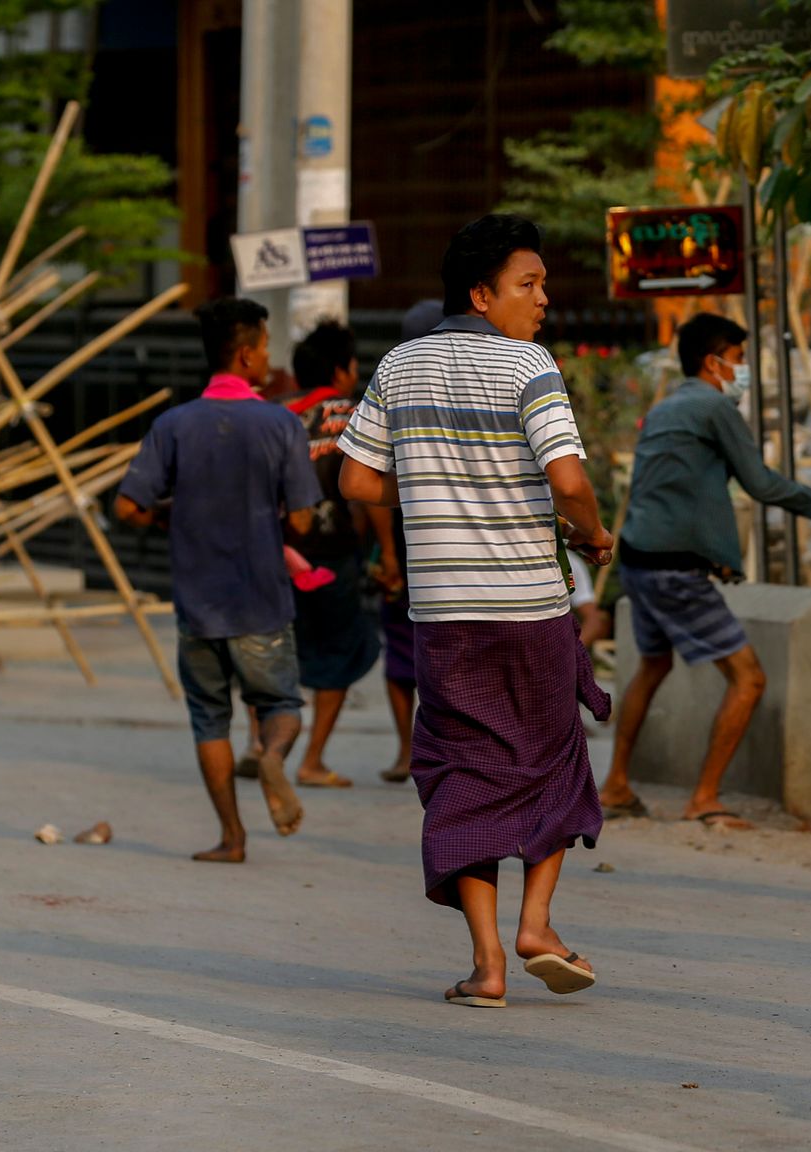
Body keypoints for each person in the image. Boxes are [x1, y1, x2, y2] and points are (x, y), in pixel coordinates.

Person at [340, 215, 614, 1007]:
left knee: (463, 768)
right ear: (481, 294)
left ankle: (489, 965)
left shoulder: (399, 364)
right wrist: (592, 534)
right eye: (528, 284)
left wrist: (431, 489)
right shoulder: (528, 366)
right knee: (552, 756)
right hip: (529, 607)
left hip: (444, 614)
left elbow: (357, 483)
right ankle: (538, 925)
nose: (543, 299)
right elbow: (566, 480)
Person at [598, 313, 811, 828]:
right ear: (712, 361)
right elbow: (759, 483)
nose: (742, 371)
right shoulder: (714, 406)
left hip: (639, 561)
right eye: (739, 360)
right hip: (675, 570)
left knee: (653, 667)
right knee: (748, 678)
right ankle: (706, 798)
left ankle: (616, 784)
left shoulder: (669, 405)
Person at [115, 297, 320, 863]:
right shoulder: (281, 424)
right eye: (265, 348)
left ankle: (232, 837)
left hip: (197, 603)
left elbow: (128, 507)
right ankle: (273, 756)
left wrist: (171, 514)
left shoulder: (173, 425)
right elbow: (302, 518)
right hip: (261, 599)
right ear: (249, 354)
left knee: (209, 718)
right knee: (279, 704)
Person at [281, 319, 381, 789]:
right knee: (339, 652)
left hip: (278, 556)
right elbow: (368, 492)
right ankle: (312, 759)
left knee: (279, 651)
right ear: (341, 370)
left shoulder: (275, 414)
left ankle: (262, 746)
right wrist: (390, 559)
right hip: (335, 555)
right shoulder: (352, 411)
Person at [372, 298, 444, 785]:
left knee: (408, 654)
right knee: (411, 653)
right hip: (422, 548)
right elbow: (371, 485)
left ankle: (415, 752)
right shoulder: (397, 390)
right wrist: (392, 558)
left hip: (419, 549)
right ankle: (412, 751)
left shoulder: (393, 383)